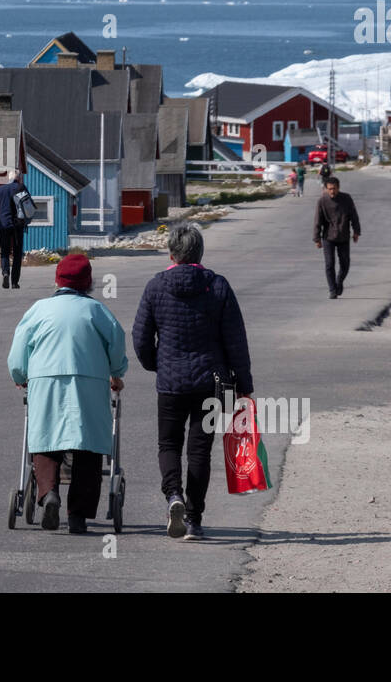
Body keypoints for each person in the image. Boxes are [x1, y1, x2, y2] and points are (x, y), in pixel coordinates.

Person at [132, 221, 254, 541]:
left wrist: (155, 364)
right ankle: (194, 518)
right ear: (200, 251)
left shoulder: (156, 286)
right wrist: (244, 383)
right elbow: (235, 340)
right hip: (211, 383)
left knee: (169, 444)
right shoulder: (218, 286)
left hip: (171, 382)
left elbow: (141, 337)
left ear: (172, 252)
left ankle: (174, 495)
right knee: (200, 451)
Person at [7, 254, 128, 534]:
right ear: (88, 283)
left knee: (45, 439)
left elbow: (18, 353)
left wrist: (20, 376)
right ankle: (78, 516)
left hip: (45, 378)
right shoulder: (96, 311)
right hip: (88, 381)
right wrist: (116, 373)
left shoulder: (39, 309)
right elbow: (117, 345)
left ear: (56, 280)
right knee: (88, 445)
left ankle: (49, 494)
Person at [313, 176, 361, 299]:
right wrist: (317, 238)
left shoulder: (346, 199)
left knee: (345, 264)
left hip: (344, 236)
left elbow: (354, 216)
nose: (332, 192)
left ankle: (339, 281)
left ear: (338, 188)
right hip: (328, 237)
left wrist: (356, 231)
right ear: (326, 189)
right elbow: (317, 220)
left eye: (334, 189)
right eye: (329, 189)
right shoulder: (322, 201)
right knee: (330, 264)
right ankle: (332, 290)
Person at [0, 170, 30, 290]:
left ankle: (5, 272)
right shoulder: (22, 188)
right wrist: (26, 222)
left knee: (5, 252)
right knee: (17, 254)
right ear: (19, 178)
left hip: (4, 225)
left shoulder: (1, 190)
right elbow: (28, 207)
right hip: (18, 226)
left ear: (9, 178)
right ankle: (14, 282)